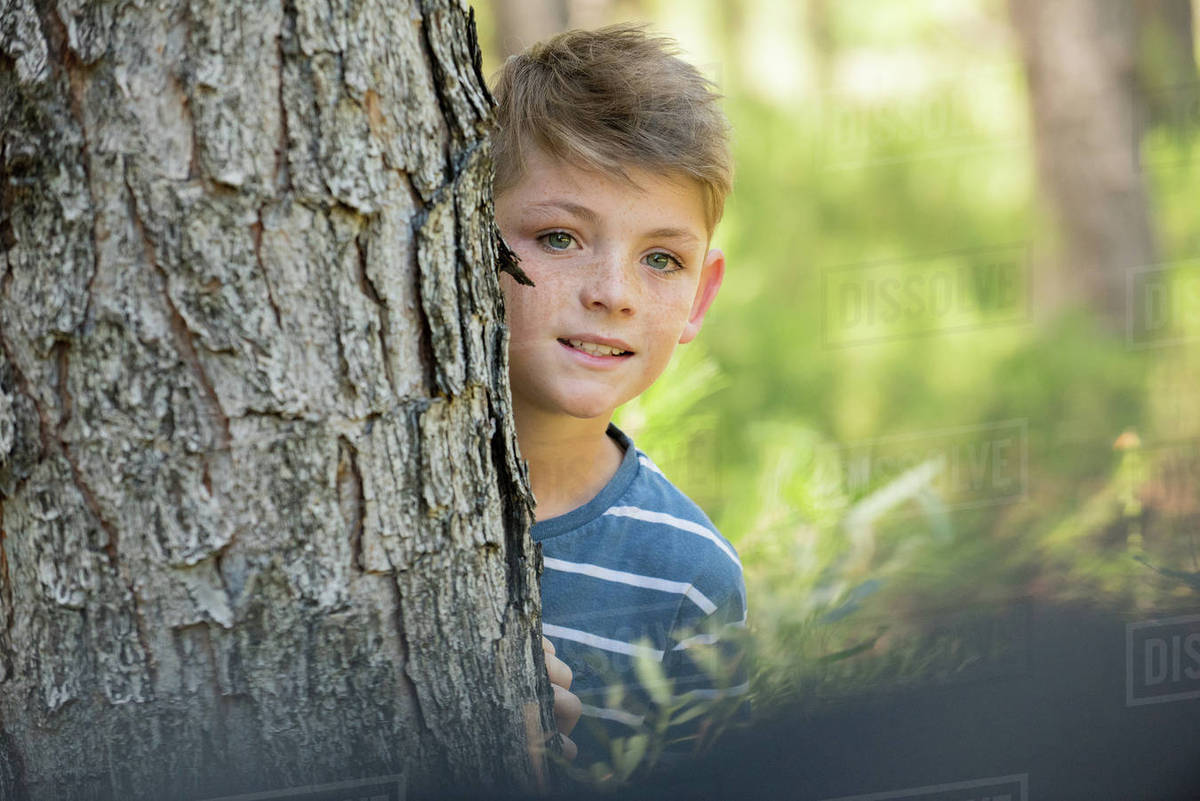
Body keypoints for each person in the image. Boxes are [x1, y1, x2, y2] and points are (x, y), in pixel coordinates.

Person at [491, 24, 749, 774]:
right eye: (561, 238)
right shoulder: (363, 495)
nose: (613, 295)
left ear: (701, 297)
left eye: (661, 259)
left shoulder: (690, 580)